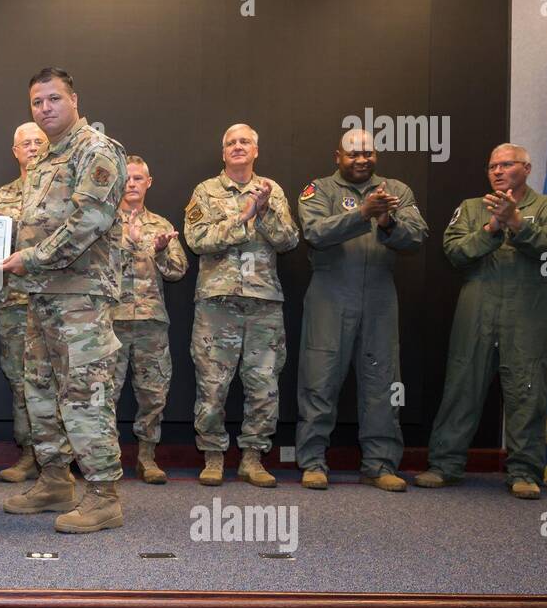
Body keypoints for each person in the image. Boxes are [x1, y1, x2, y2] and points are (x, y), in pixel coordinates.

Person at [0, 67, 128, 533]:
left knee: (85, 395)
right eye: (37, 102)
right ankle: (55, 479)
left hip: (80, 298)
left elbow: (87, 223)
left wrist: (31, 257)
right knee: (40, 390)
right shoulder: (45, 159)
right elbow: (36, 223)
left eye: (54, 98)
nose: (45, 108)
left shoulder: (97, 150)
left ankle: (103, 495)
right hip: (41, 296)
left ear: (74, 100)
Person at [416, 143, 547, 499]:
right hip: (478, 306)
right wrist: (491, 228)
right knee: (461, 385)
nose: (498, 171)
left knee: (527, 390)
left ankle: (524, 471)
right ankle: (445, 465)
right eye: (492, 166)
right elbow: (454, 252)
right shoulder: (472, 208)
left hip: (527, 309)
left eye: (506, 164)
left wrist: (517, 223)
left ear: (527, 168)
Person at [295, 129, 427, 491]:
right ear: (338, 156)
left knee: (382, 382)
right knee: (319, 379)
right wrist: (363, 214)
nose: (361, 159)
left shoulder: (396, 191)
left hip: (381, 298)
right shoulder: (318, 189)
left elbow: (417, 237)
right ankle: (312, 462)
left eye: (368, 153)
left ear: (376, 155)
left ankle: (379, 464)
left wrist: (387, 222)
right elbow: (315, 231)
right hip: (330, 294)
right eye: (353, 154)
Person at [183, 123, 299, 487]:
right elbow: (197, 238)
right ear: (223, 153)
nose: (237, 146)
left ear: (255, 150)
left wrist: (263, 211)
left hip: (263, 303)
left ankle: (252, 457)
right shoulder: (205, 191)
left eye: (244, 141)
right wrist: (243, 217)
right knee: (212, 384)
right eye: (231, 142)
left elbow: (289, 240)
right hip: (217, 303)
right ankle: (213, 456)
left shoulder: (271, 191)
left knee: (264, 383)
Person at [110, 155, 188, 484]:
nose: (132, 184)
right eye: (126, 178)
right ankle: (106, 459)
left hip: (150, 321)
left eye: (138, 178)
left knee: (153, 393)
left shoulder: (160, 225)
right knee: (103, 394)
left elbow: (178, 271)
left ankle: (146, 456)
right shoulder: (102, 224)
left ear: (148, 182)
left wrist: (160, 251)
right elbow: (88, 270)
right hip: (109, 321)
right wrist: (124, 242)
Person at [0, 122, 46, 482]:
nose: (34, 147)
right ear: (16, 151)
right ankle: (29, 453)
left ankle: (57, 458)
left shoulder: (65, 191)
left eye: (40, 141)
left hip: (58, 300)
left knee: (59, 380)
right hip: (15, 303)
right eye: (27, 143)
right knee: (21, 381)